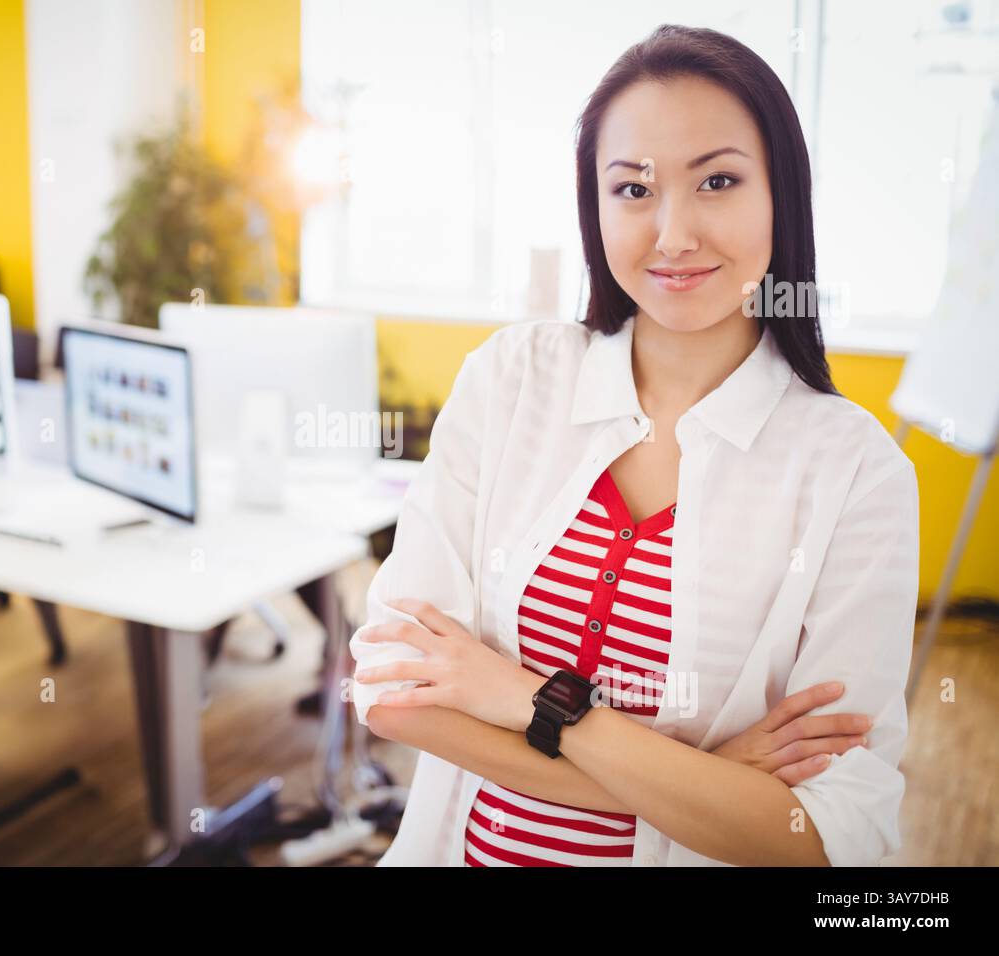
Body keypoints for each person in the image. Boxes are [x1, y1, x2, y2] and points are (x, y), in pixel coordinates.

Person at [350, 23, 919, 867]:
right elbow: (395, 693)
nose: (674, 234)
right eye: (633, 189)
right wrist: (706, 781)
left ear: (781, 195)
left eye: (717, 180)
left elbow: (825, 833)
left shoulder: (855, 472)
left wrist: (519, 698)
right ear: (595, 204)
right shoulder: (512, 380)